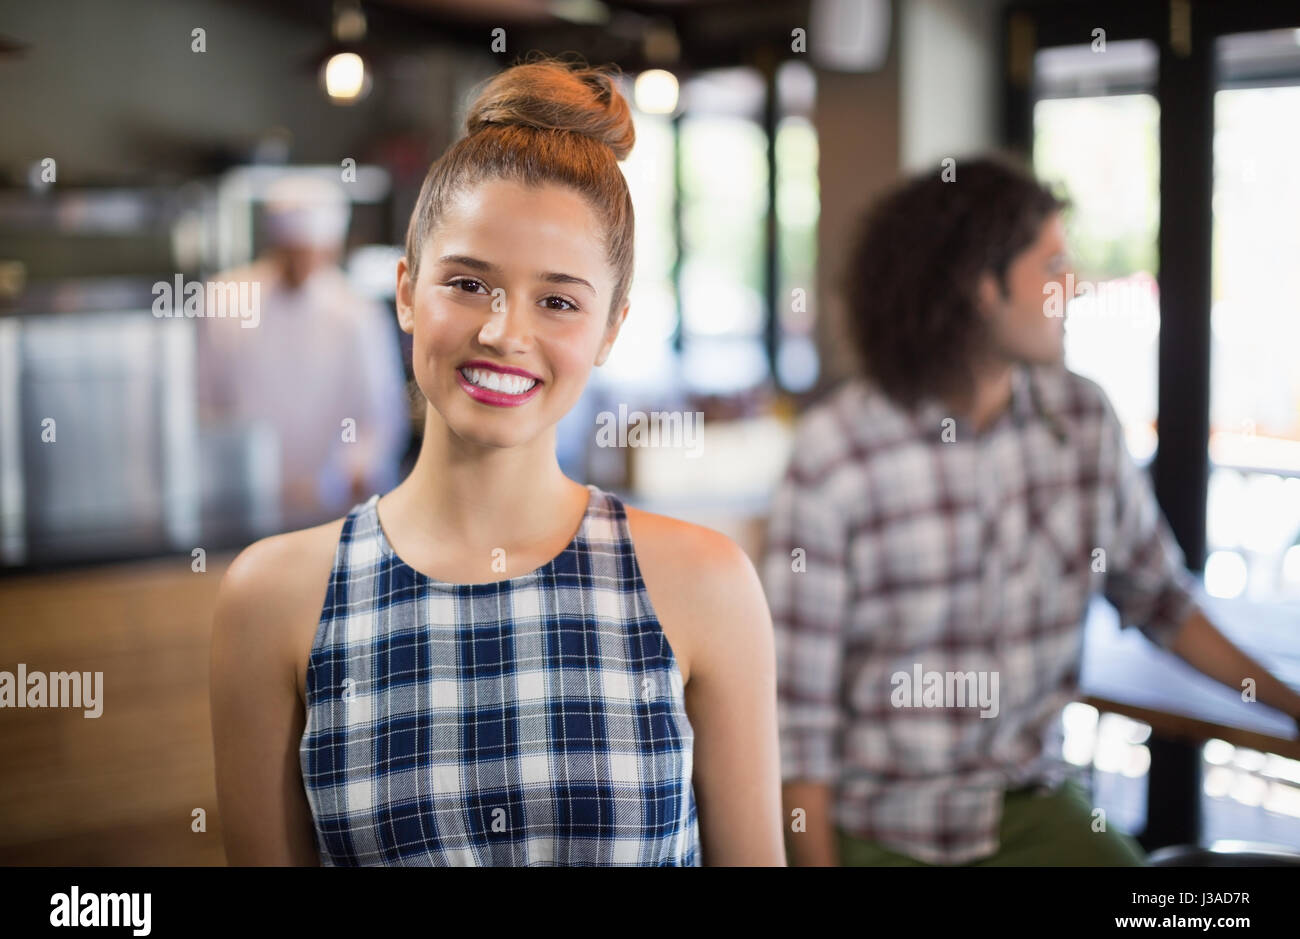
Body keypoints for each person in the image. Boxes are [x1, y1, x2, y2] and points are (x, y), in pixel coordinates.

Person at [209, 56, 785, 866]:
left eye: (557, 301)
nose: (504, 334)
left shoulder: (706, 586)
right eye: (469, 284)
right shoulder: (271, 601)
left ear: (611, 328)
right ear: (408, 292)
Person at [765, 155, 1300, 867]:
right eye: (1052, 267)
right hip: (882, 826)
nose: (1073, 288)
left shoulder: (1081, 419)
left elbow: (1161, 602)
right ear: (979, 289)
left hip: (1031, 806)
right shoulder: (840, 453)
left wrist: (1290, 706)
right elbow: (794, 723)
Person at [196, 173, 409, 523]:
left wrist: (345, 475)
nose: (300, 268)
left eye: (310, 254)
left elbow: (380, 416)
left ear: (331, 249)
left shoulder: (357, 313)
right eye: (291, 254)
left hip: (332, 505)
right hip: (241, 501)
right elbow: (204, 403)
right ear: (274, 245)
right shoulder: (225, 298)